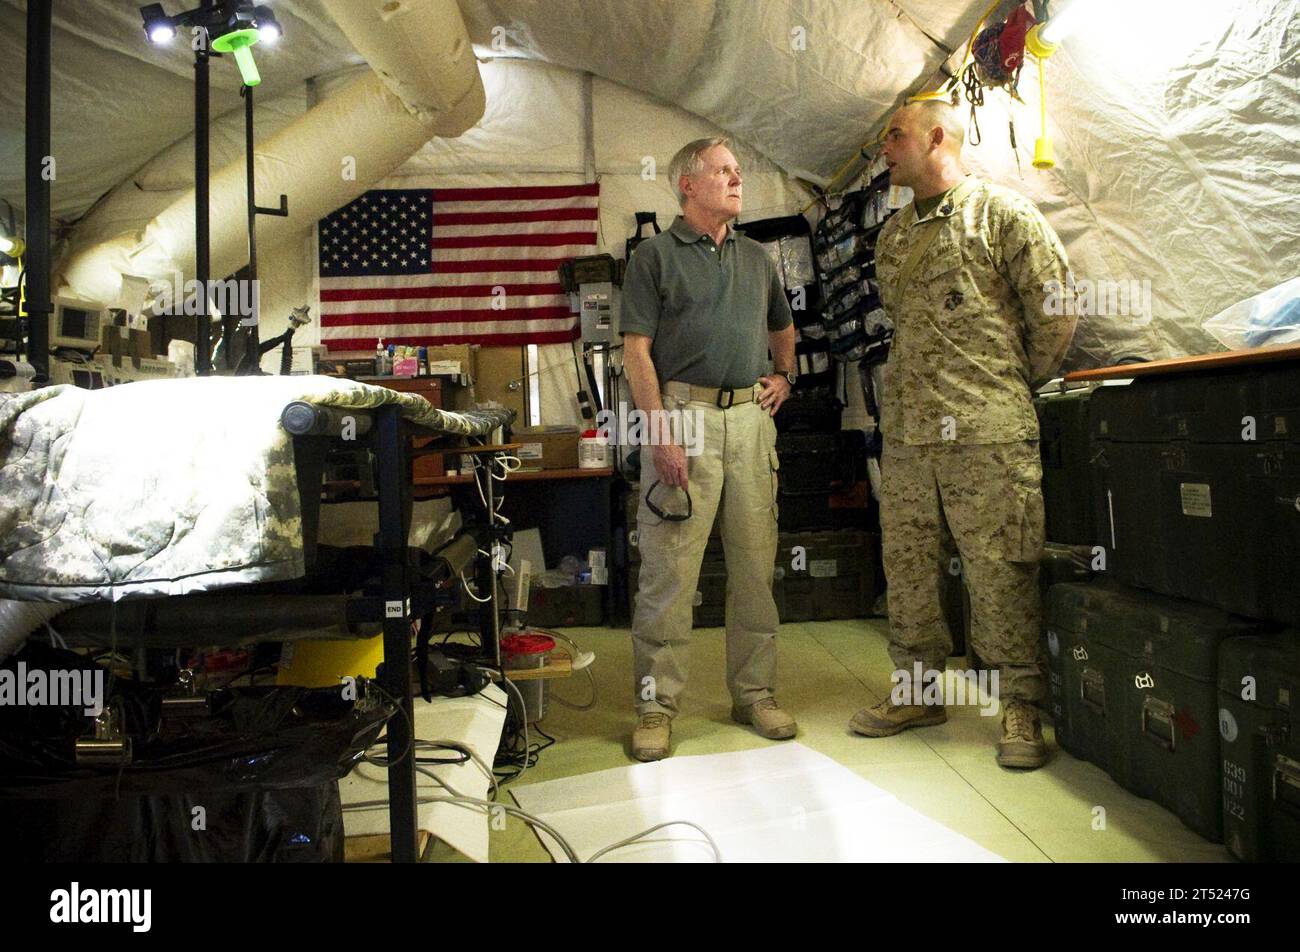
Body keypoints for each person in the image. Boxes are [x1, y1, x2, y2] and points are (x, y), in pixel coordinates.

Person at [848, 100, 1076, 769]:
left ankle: (1020, 704)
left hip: (988, 431)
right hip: (912, 434)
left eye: (895, 135)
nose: (884, 148)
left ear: (938, 138)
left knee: (1000, 566)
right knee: (910, 569)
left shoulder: (1000, 216)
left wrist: (1006, 384)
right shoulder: (892, 238)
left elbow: (1055, 311)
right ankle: (918, 690)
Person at [620, 136, 799, 762]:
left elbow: (783, 326)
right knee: (670, 575)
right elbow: (636, 350)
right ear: (686, 186)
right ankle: (655, 705)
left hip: (751, 419)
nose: (735, 179)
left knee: (755, 569)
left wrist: (785, 375)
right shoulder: (654, 257)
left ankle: (754, 693)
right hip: (683, 415)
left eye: (738, 171)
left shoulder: (757, 259)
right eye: (722, 171)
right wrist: (658, 431)